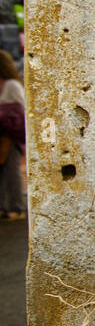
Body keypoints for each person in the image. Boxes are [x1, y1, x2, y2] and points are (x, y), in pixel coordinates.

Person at [0, 50, 26, 221]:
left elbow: (20, 109)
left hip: (9, 134)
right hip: (3, 132)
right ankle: (4, 206)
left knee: (11, 170)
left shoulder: (11, 85)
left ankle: (16, 207)